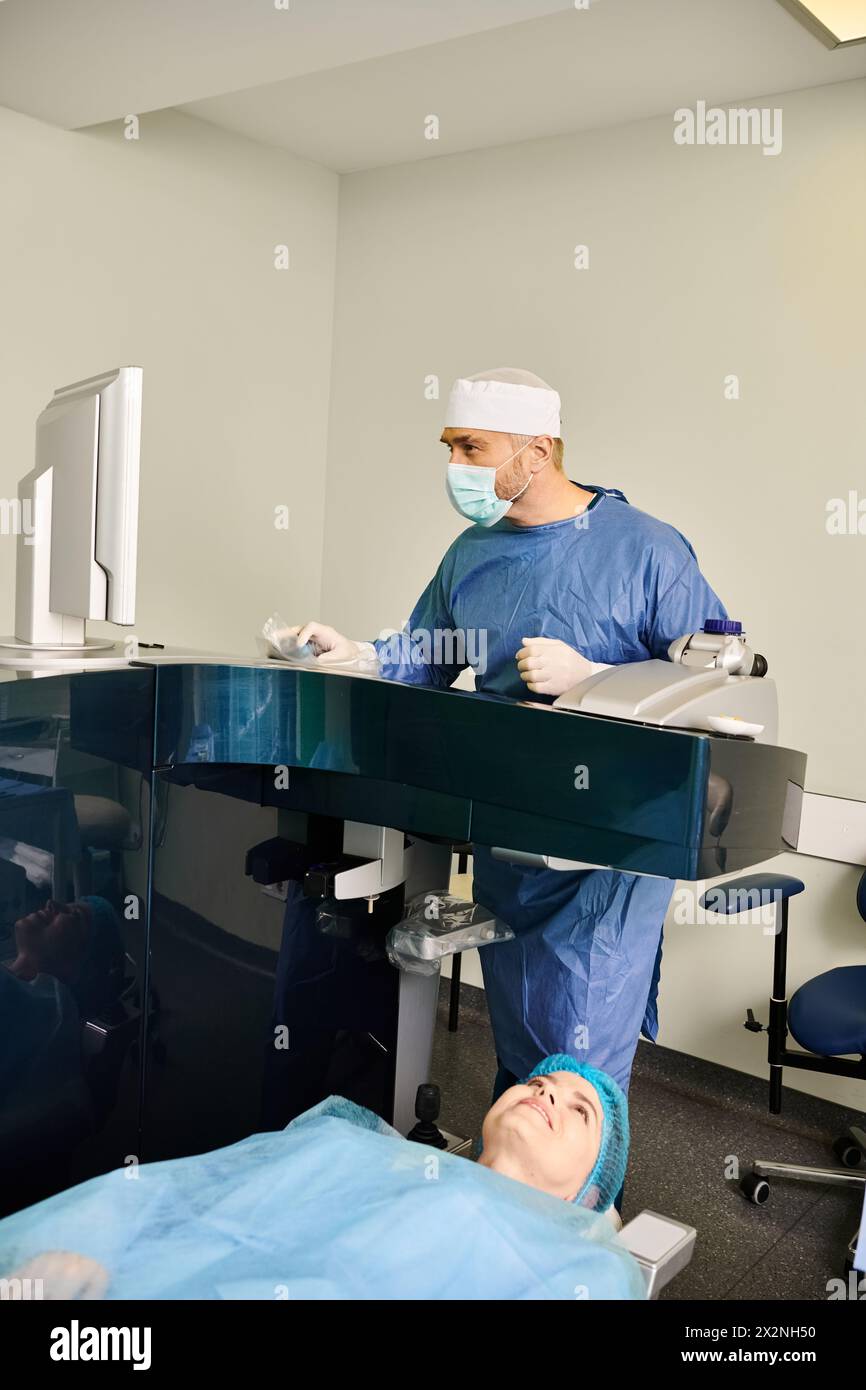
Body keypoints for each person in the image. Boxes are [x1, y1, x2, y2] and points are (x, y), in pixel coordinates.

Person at [287, 367, 727, 1109]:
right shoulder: (472, 552)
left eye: (471, 446)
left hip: (606, 851)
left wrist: (596, 679)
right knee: (520, 1037)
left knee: (577, 1063)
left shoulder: (647, 549)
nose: (455, 465)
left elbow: (714, 686)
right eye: (450, 446)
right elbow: (426, 654)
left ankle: (578, 1211)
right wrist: (355, 652)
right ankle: (514, 1190)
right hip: (509, 838)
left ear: (538, 452)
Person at [0, 1055, 643, 1300]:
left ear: (585, 1196)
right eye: (537, 1082)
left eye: (579, 1110)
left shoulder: (578, 1268)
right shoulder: (349, 1141)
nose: (547, 1094)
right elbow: (198, 1198)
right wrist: (99, 1248)